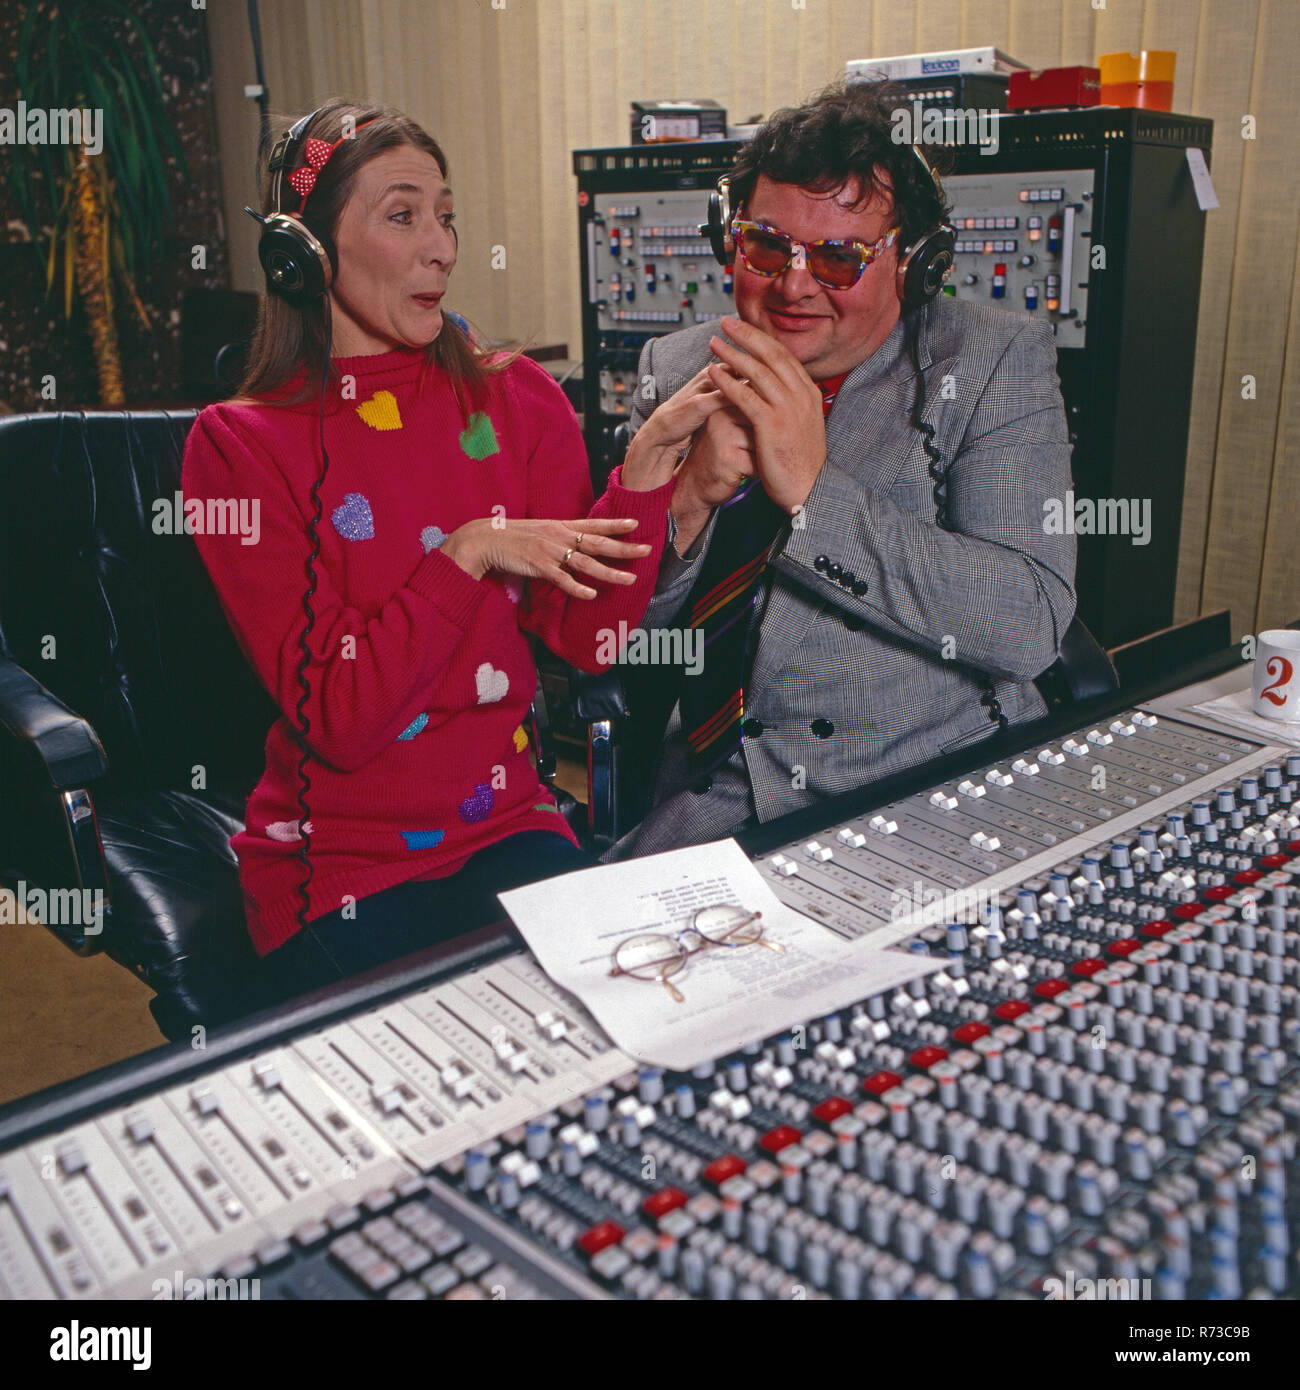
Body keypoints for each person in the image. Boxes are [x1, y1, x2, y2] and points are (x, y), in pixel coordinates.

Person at [182, 100, 720, 999]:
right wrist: (469, 552)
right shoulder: (238, 447)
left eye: (447, 216)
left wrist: (651, 476)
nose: (442, 246)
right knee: (453, 1052)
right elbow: (343, 719)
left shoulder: (518, 400)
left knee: (628, 1007)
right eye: (403, 215)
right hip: (339, 865)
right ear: (306, 253)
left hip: (509, 821)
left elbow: (588, 641)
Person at [608, 81, 1078, 859]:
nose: (794, 285)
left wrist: (815, 493)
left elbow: (1027, 627)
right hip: (720, 795)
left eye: (838, 257)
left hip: (930, 791)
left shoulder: (994, 362)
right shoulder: (677, 367)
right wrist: (684, 499)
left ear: (916, 265)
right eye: (766, 246)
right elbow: (616, 644)